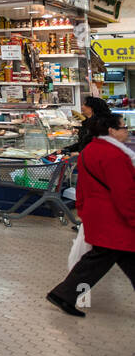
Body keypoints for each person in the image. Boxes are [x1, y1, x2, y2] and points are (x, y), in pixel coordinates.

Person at [47, 116, 135, 316]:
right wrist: (132, 217)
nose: (127, 131)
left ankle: (63, 294)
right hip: (115, 220)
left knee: (97, 260)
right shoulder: (115, 156)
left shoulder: (90, 150)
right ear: (111, 131)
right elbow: (125, 193)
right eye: (124, 128)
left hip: (99, 216)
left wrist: (82, 209)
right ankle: (63, 294)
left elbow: (83, 186)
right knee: (99, 259)